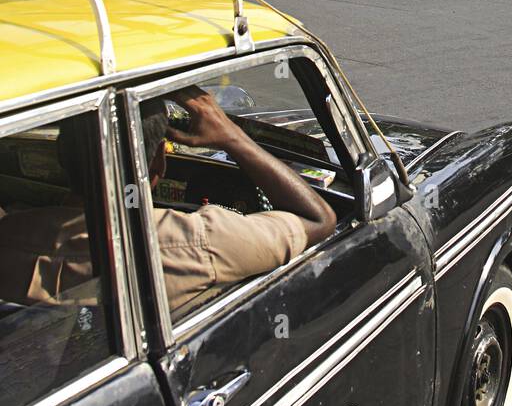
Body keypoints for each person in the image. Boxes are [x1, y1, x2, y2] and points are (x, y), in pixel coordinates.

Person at [0, 92, 336, 317]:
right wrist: (233, 137)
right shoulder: (199, 242)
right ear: (159, 164)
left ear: (60, 156)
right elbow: (318, 219)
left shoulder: (9, 234)